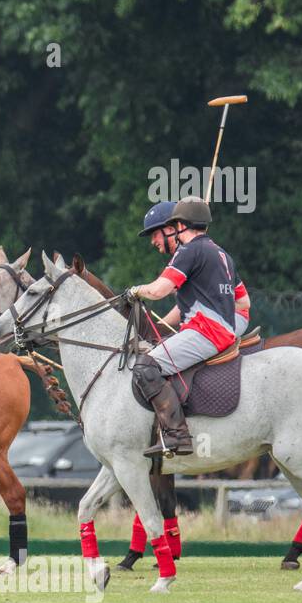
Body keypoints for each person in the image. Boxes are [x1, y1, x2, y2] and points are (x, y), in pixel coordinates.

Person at [126, 195, 240, 457]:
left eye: (159, 233)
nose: (155, 241)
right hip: (219, 329)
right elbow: (242, 299)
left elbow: (159, 290)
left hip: (205, 332)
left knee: (145, 366)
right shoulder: (221, 253)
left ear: (177, 226)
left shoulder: (189, 251)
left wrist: (135, 291)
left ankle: (178, 435)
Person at [139, 199, 250, 336]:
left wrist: (159, 326)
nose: (153, 241)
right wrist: (160, 326)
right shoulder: (194, 252)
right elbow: (189, 303)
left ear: (173, 228)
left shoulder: (192, 253)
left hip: (232, 316)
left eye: (155, 234)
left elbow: (186, 302)